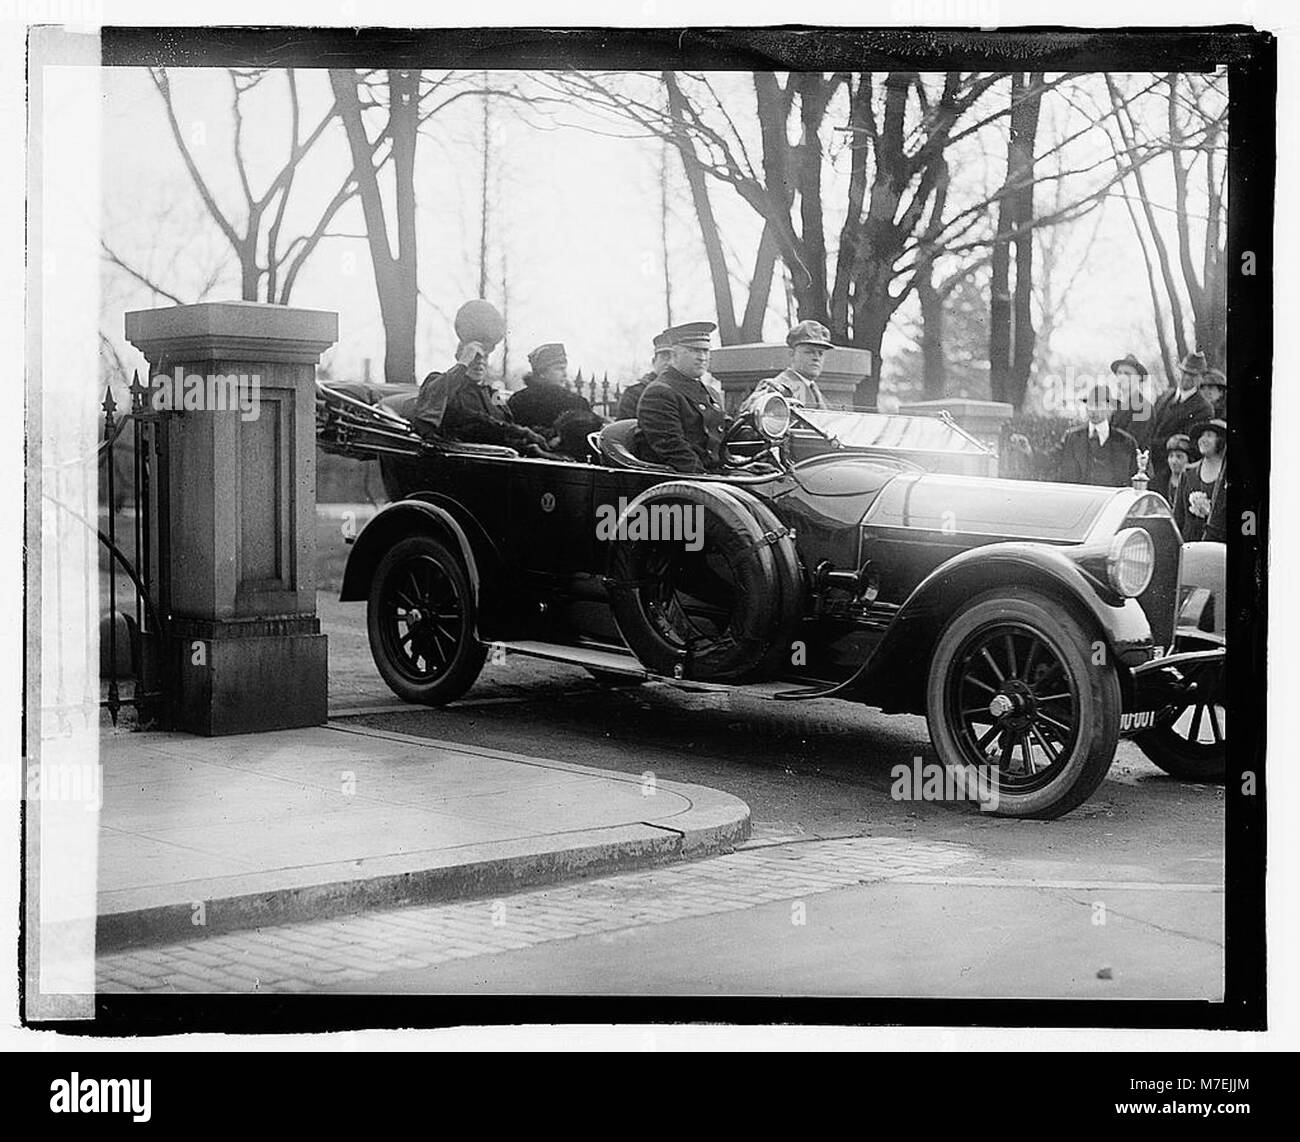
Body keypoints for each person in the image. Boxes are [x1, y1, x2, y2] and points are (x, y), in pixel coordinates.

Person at [411, 301, 549, 454]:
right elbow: (439, 408)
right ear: (462, 357)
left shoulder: (492, 394)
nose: (480, 362)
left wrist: (536, 437)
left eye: (485, 357)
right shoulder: (442, 383)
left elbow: (507, 426)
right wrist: (462, 364)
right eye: (474, 357)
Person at [634, 321, 727, 473]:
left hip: (711, 473)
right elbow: (674, 449)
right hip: (681, 478)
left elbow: (724, 434)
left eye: (706, 351)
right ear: (674, 354)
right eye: (694, 350)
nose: (702, 357)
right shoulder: (659, 393)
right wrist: (708, 479)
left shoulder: (710, 393)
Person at [1135, 350, 1215, 494]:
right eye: (1184, 372)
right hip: (1149, 463)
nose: (1186, 377)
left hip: (1172, 470)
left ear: (1200, 378)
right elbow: (1151, 426)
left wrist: (1155, 448)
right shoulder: (1165, 396)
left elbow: (1187, 442)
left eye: (1192, 375)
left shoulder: (1203, 408)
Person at [1056, 379, 1139, 487]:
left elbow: (1134, 478)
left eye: (1098, 405)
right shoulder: (1072, 438)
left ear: (1110, 408)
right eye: (1090, 405)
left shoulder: (1126, 442)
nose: (1093, 410)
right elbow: (1055, 462)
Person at [742, 319, 834, 411]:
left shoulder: (818, 394)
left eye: (821, 353)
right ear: (791, 354)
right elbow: (751, 412)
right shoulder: (776, 388)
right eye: (809, 352)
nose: (816, 358)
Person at [507, 342, 592, 432]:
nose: (565, 374)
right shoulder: (575, 402)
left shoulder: (518, 399)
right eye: (559, 369)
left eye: (565, 368)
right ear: (542, 373)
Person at [1173, 418, 1227, 542]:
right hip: (1189, 548)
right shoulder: (1188, 474)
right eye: (1201, 436)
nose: (1202, 440)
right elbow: (1178, 517)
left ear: (1222, 440)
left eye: (1209, 435)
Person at [616, 331, 673, 420]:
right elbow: (626, 429)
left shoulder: (688, 391)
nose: (669, 363)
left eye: (674, 358)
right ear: (654, 361)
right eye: (664, 358)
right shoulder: (635, 394)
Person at [1107, 352, 1148, 435]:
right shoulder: (1120, 407)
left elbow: (1131, 443)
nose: (1122, 377)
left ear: (1139, 378)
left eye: (1127, 374)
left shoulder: (1143, 408)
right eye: (1119, 373)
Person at [1152, 433, 1192, 508]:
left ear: (1188, 459)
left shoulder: (1193, 483)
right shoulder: (1157, 483)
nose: (1174, 461)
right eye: (1171, 456)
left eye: (1179, 456)